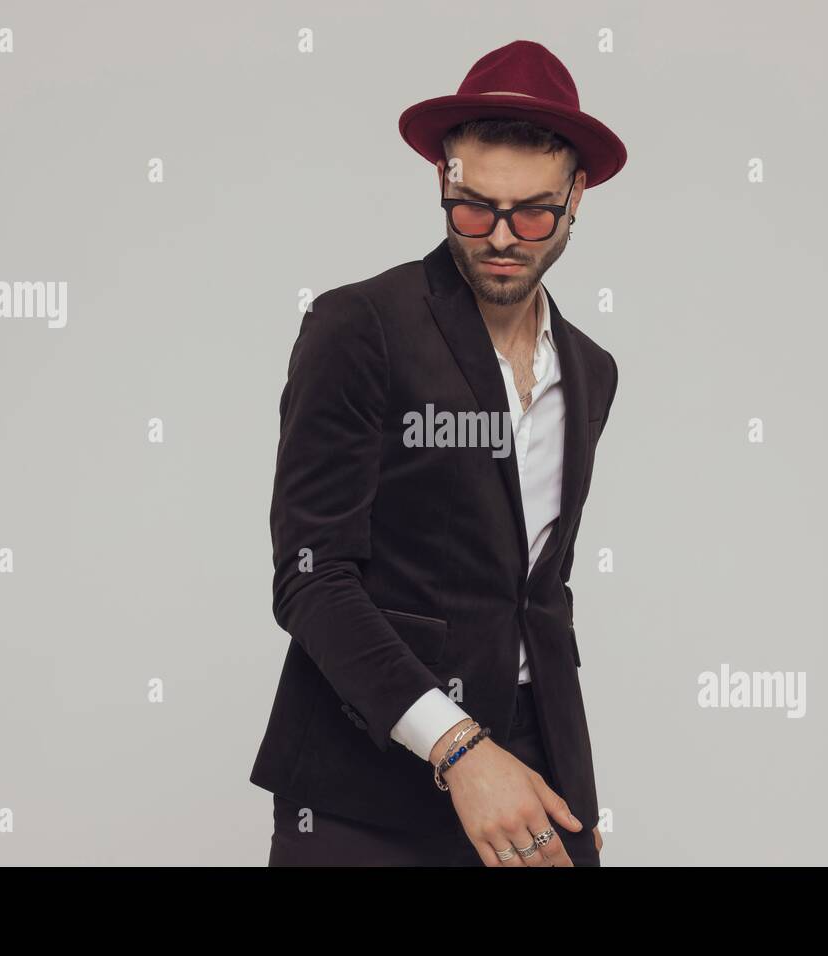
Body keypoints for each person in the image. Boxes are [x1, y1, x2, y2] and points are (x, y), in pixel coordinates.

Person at [250, 39, 625, 866]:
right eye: (472, 207)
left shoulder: (590, 371)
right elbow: (312, 578)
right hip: (365, 791)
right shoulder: (361, 327)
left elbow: (539, 597)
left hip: (532, 774)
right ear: (443, 182)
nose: (499, 238)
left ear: (576, 196)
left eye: (532, 213)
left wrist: (575, 792)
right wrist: (457, 748)